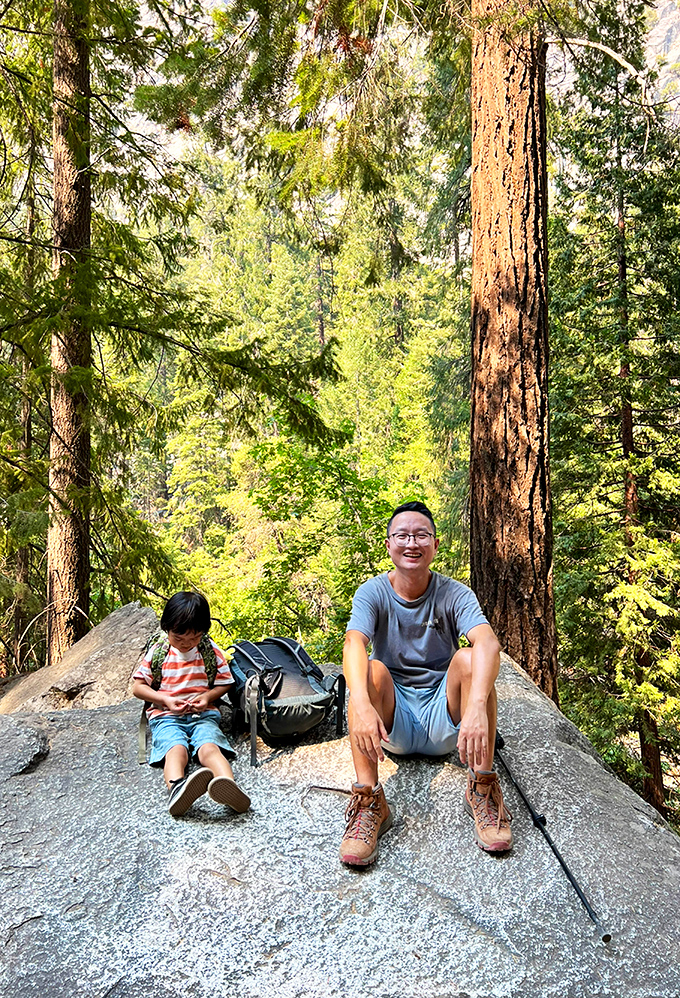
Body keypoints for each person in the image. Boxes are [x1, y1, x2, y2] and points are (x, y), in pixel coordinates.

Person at [339, 500, 512, 866]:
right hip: (393, 721)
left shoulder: (455, 594)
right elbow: (354, 642)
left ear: (435, 544)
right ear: (389, 544)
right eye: (402, 535)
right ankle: (369, 800)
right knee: (369, 672)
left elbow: (487, 642)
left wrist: (476, 707)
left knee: (470, 660)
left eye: (421, 535)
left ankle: (482, 786)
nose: (411, 543)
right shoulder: (372, 592)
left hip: (444, 714)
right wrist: (362, 704)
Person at [132, 591, 250, 817]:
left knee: (209, 747)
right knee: (176, 749)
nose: (186, 644)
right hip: (166, 716)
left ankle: (228, 786)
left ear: (203, 632)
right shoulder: (159, 652)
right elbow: (138, 687)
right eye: (179, 638)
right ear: (166, 628)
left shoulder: (209, 650)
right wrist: (165, 700)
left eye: (194, 637)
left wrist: (207, 697)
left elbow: (225, 682)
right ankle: (177, 788)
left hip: (203, 715)